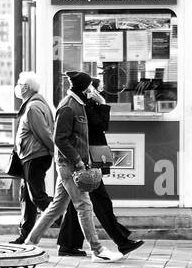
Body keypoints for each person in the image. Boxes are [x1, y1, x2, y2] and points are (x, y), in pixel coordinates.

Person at [24, 71, 120, 261]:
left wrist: (100, 102)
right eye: (90, 85)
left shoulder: (79, 103)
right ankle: (97, 250)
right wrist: (77, 160)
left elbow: (99, 124)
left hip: (69, 164)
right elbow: (60, 138)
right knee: (84, 205)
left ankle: (30, 243)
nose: (92, 88)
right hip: (70, 165)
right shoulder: (69, 107)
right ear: (84, 87)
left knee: (57, 207)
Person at [56, 79, 144, 257]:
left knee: (77, 204)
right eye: (97, 87)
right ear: (90, 89)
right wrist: (102, 103)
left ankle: (67, 244)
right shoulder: (82, 106)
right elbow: (100, 124)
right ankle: (122, 241)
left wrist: (100, 103)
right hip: (86, 161)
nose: (101, 89)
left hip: (87, 160)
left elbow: (102, 126)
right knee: (101, 202)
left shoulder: (86, 104)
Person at [12, 71, 55, 244]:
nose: (17, 88)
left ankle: (64, 220)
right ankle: (25, 235)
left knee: (37, 196)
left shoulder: (33, 107)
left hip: (34, 156)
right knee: (27, 197)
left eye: (20, 85)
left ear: (26, 88)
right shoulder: (35, 104)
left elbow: (44, 133)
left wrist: (54, 150)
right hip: (30, 156)